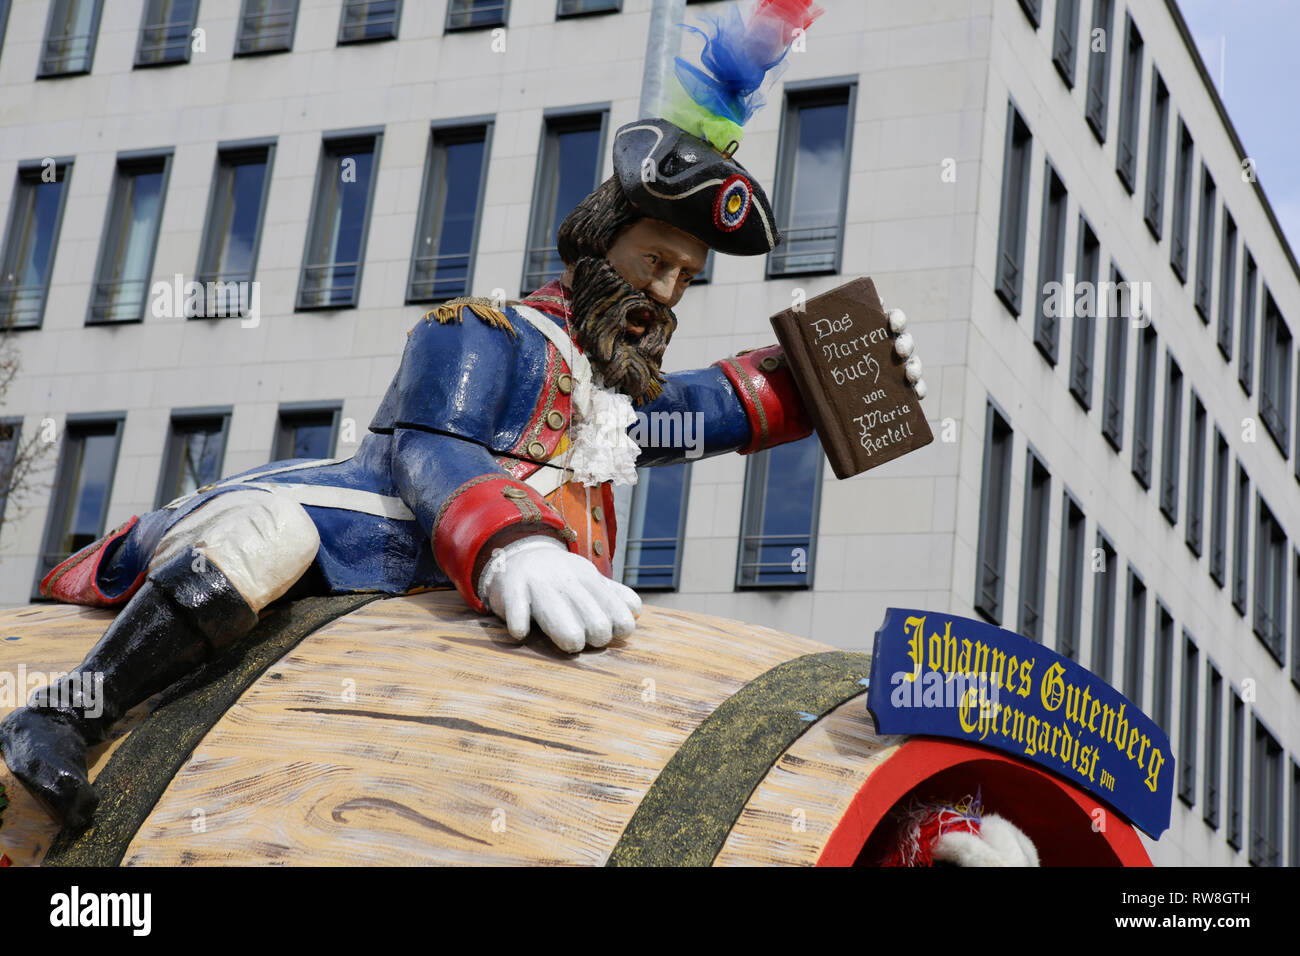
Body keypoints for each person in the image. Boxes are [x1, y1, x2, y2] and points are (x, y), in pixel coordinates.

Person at [1, 2, 925, 831]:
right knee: (262, 540)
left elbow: (705, 407)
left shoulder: (611, 400)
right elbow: (431, 455)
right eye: (656, 260)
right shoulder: (480, 333)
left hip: (478, 609)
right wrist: (515, 546)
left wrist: (839, 376)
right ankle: (64, 711)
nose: (666, 290)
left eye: (686, 275)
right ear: (602, 241)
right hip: (362, 538)